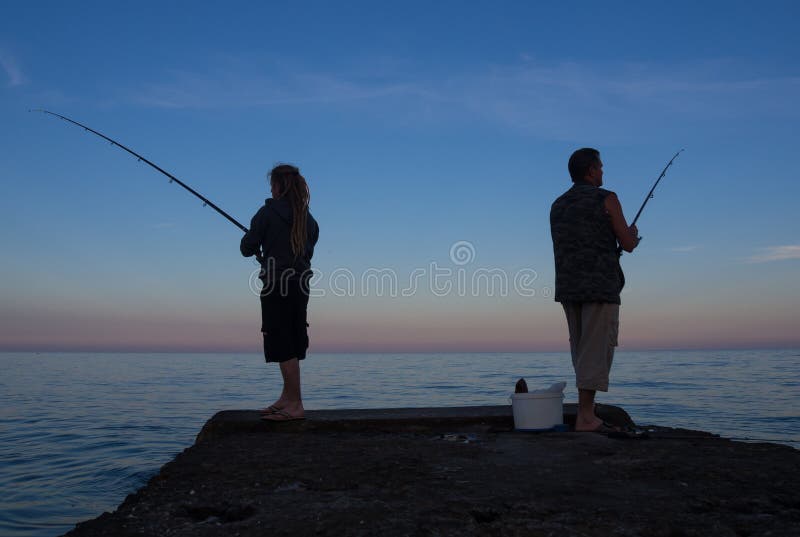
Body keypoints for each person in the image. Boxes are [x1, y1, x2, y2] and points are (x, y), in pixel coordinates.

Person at [550, 148, 639, 433]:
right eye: (600, 168)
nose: (602, 172)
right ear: (590, 170)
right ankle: (586, 417)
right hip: (600, 286)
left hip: (568, 287)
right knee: (596, 350)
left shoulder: (558, 205)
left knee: (580, 349)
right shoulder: (607, 198)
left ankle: (585, 412)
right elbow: (626, 242)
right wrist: (633, 234)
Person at [240, 164, 319, 422]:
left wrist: (255, 243)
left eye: (272, 185)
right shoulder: (310, 221)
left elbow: (247, 247)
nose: (270, 190)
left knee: (281, 340)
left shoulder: (267, 213)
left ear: (278, 187)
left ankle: (295, 405)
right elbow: (306, 252)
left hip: (277, 284)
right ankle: (287, 397)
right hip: (300, 286)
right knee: (294, 339)